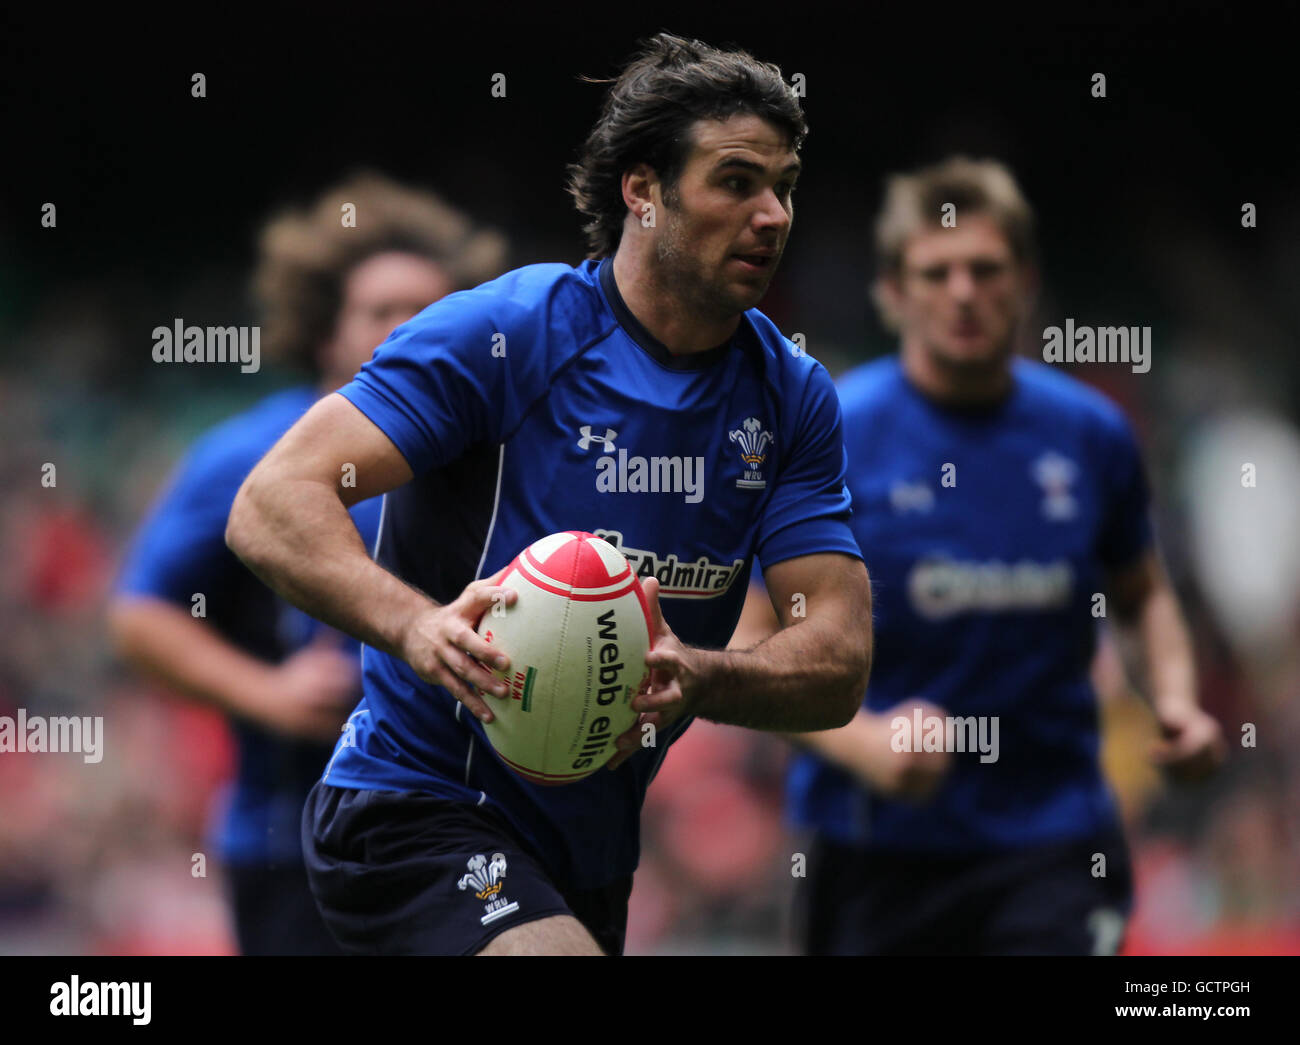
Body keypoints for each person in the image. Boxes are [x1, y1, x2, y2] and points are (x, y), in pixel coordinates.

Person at [223, 32, 873, 957]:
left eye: (786, 187)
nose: (772, 214)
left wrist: (704, 676)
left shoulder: (792, 395)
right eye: (736, 181)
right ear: (642, 192)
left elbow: (839, 660)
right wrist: (416, 627)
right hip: (415, 806)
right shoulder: (509, 333)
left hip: (591, 854)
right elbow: (274, 500)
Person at [736, 156, 1226, 955]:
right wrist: (867, 745)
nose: (963, 291)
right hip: (872, 849)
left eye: (986, 268)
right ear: (893, 292)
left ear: (1025, 281)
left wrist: (1175, 699)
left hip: (1052, 841)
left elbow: (1140, 593)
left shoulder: (1091, 432)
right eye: (936, 271)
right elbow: (752, 632)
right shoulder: (833, 431)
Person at [108, 173, 506, 955]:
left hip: (466, 830)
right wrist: (269, 693)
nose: (407, 328)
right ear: (326, 330)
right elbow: (140, 614)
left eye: (428, 310)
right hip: (287, 841)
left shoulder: (493, 458)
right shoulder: (250, 458)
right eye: (381, 311)